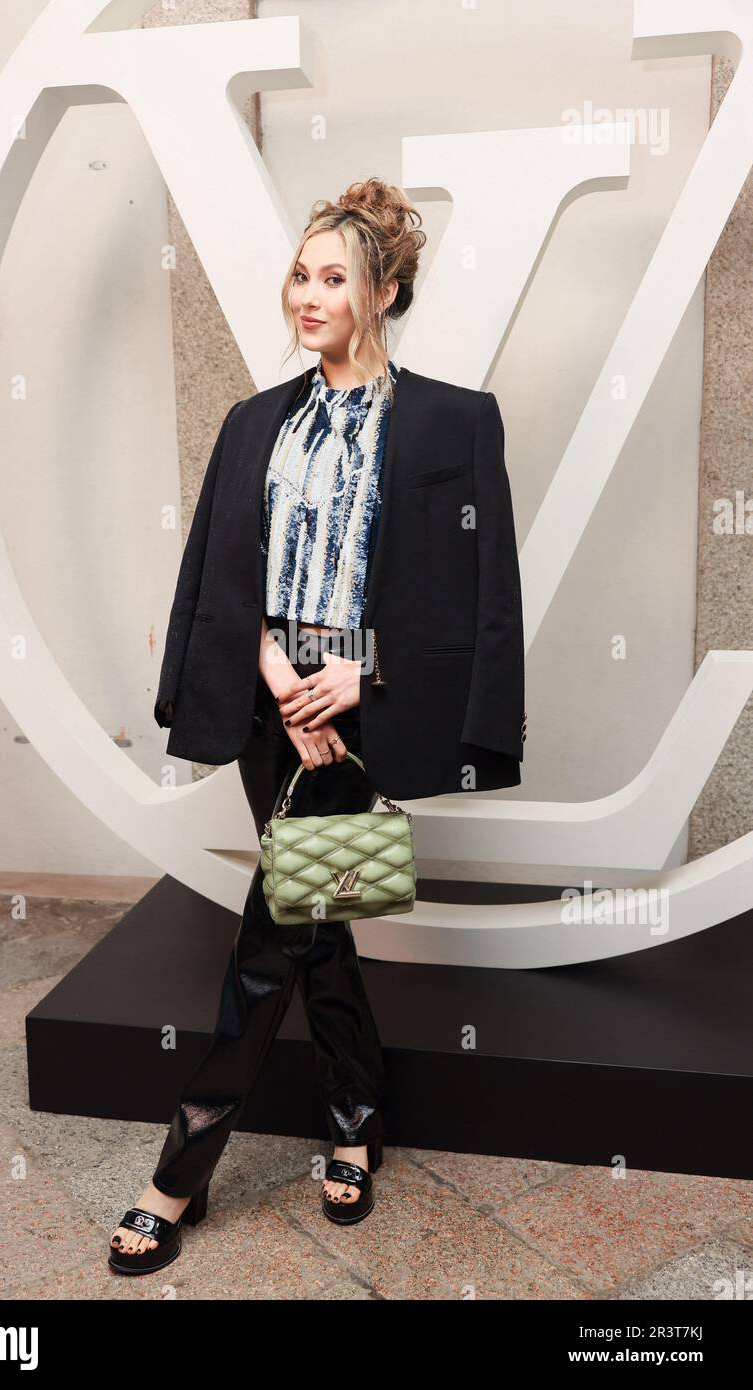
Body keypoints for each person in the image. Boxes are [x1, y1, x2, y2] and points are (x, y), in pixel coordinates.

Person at [109, 178, 525, 1275]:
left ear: (382, 292)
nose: (307, 294)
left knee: (270, 937)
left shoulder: (448, 419)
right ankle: (352, 1116)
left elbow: (471, 590)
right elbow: (216, 567)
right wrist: (266, 667)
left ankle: (177, 1171)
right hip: (268, 700)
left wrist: (356, 675)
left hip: (361, 699)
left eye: (333, 276)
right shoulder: (256, 422)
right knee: (315, 914)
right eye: (300, 273)